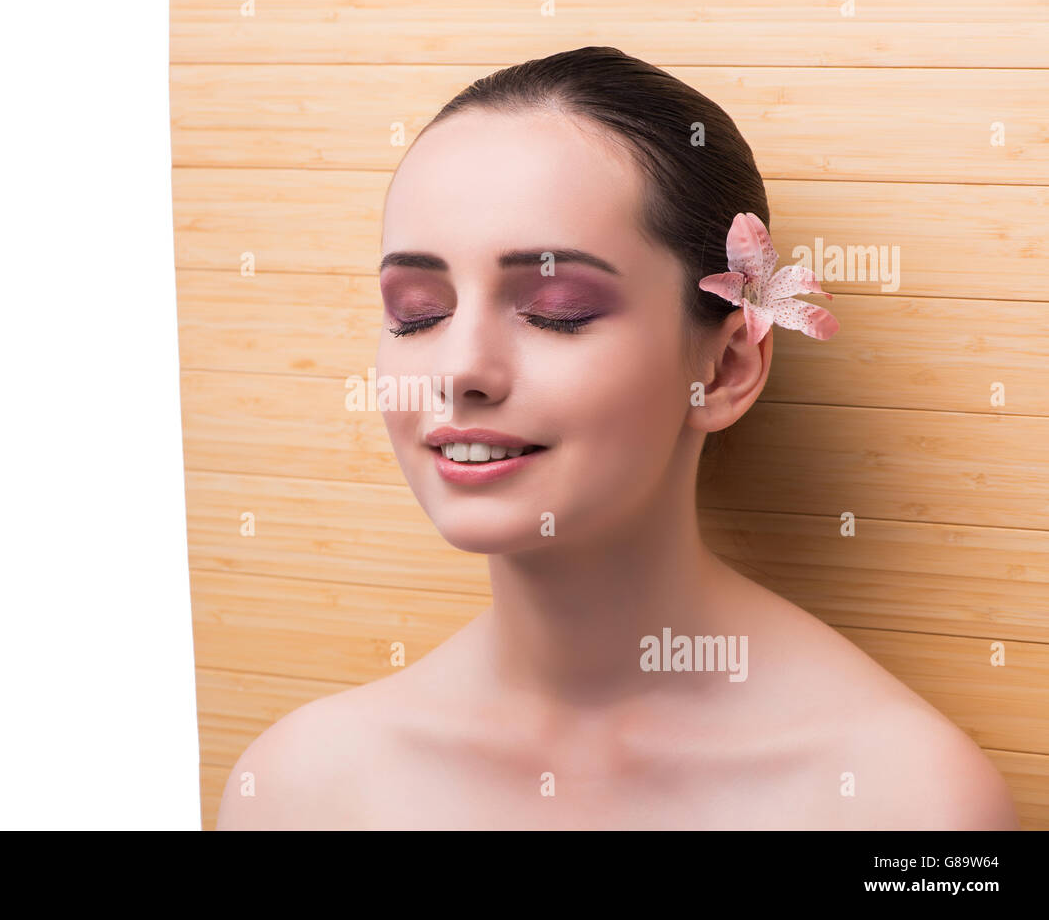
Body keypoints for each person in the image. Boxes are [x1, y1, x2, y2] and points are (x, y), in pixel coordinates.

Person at [216, 46, 1020, 830]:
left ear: (730, 365)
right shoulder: (300, 789)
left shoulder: (909, 806)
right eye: (418, 313)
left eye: (556, 309)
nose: (461, 370)